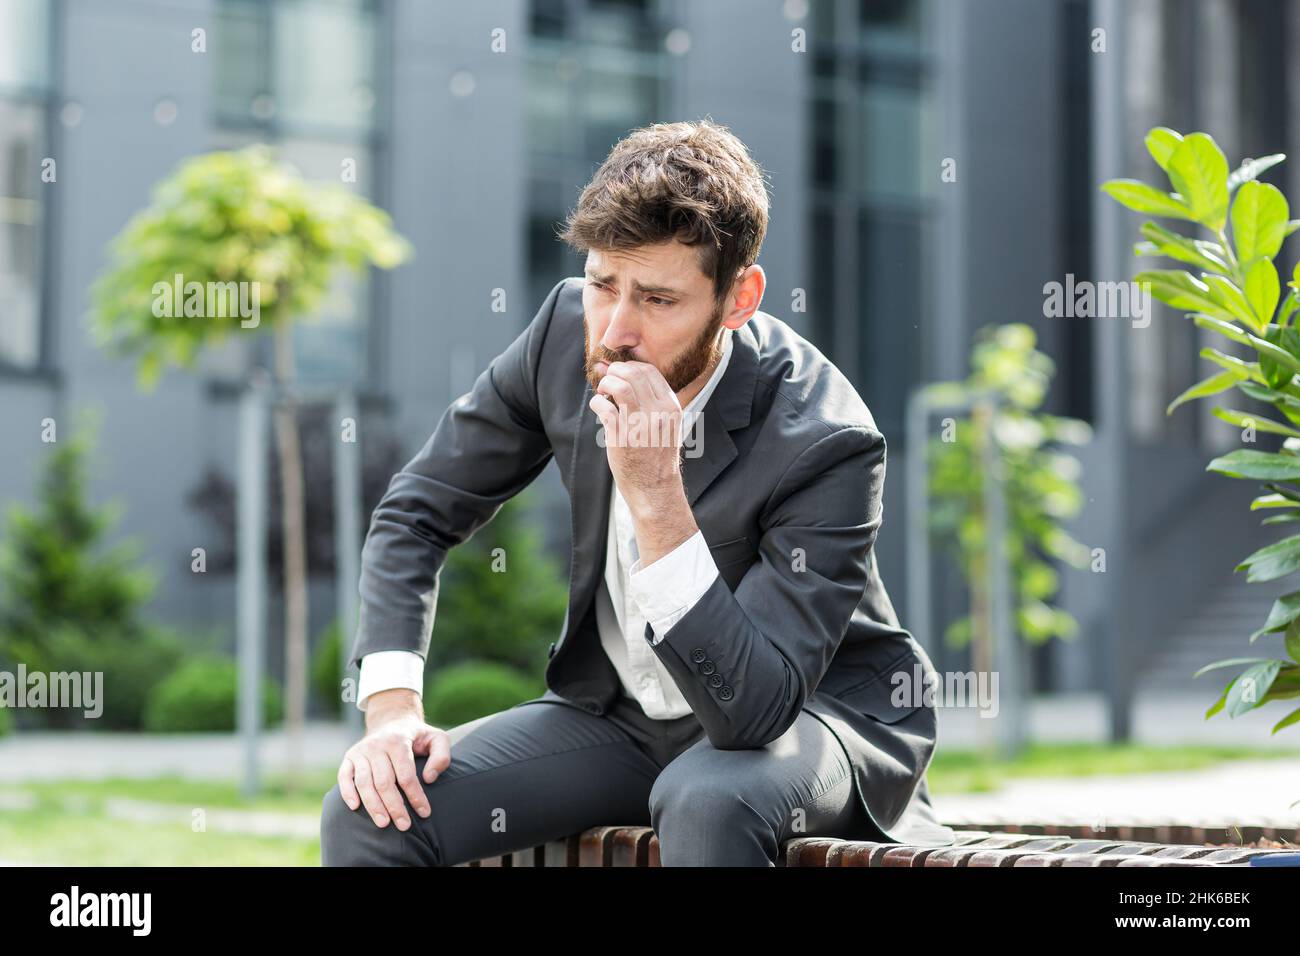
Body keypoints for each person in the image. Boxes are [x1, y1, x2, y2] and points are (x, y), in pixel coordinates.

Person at [320, 119, 955, 866]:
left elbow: (753, 713)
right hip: (620, 719)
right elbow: (416, 511)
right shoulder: (564, 333)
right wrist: (391, 709)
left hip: (812, 719)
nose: (615, 331)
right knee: (374, 810)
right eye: (601, 283)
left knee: (710, 799)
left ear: (739, 298)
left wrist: (656, 494)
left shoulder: (824, 438)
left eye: (657, 299)